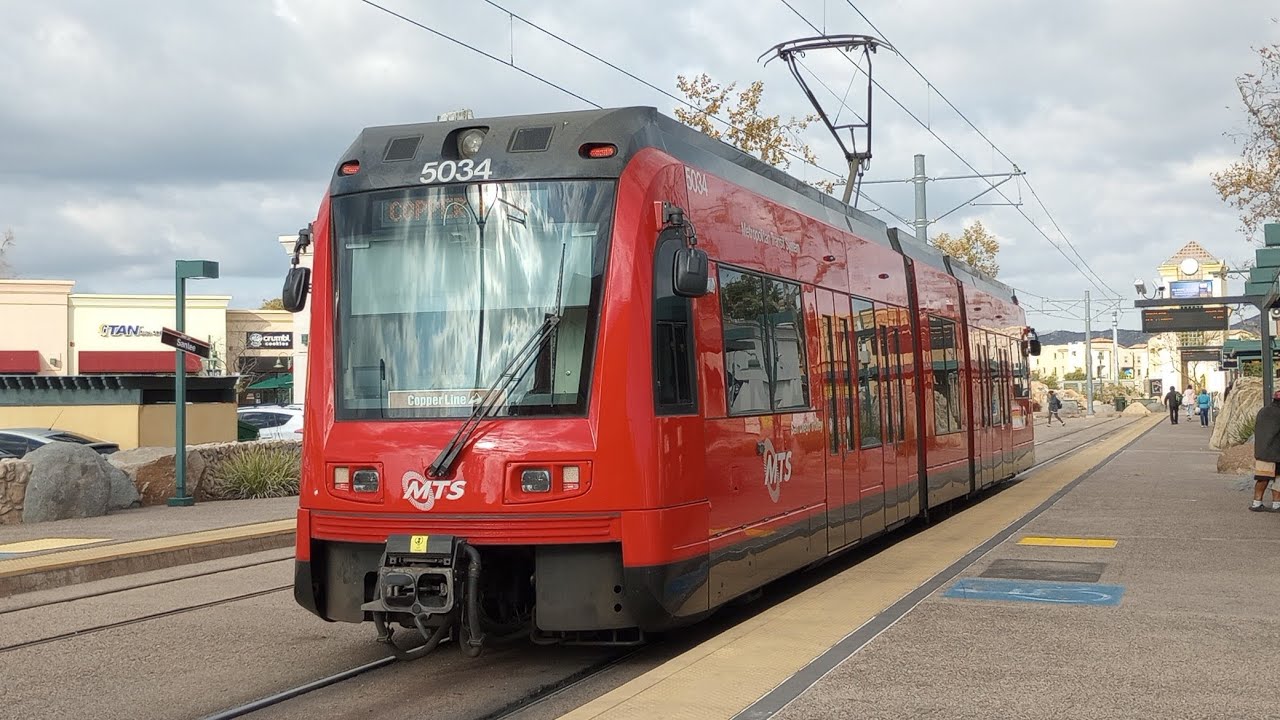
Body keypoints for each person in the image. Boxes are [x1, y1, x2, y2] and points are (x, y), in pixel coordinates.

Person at [1251, 390, 1280, 511]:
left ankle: (1256, 503)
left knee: (1262, 478)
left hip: (1262, 450)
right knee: (1278, 479)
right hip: (1276, 452)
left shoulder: (1263, 411)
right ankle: (1276, 504)